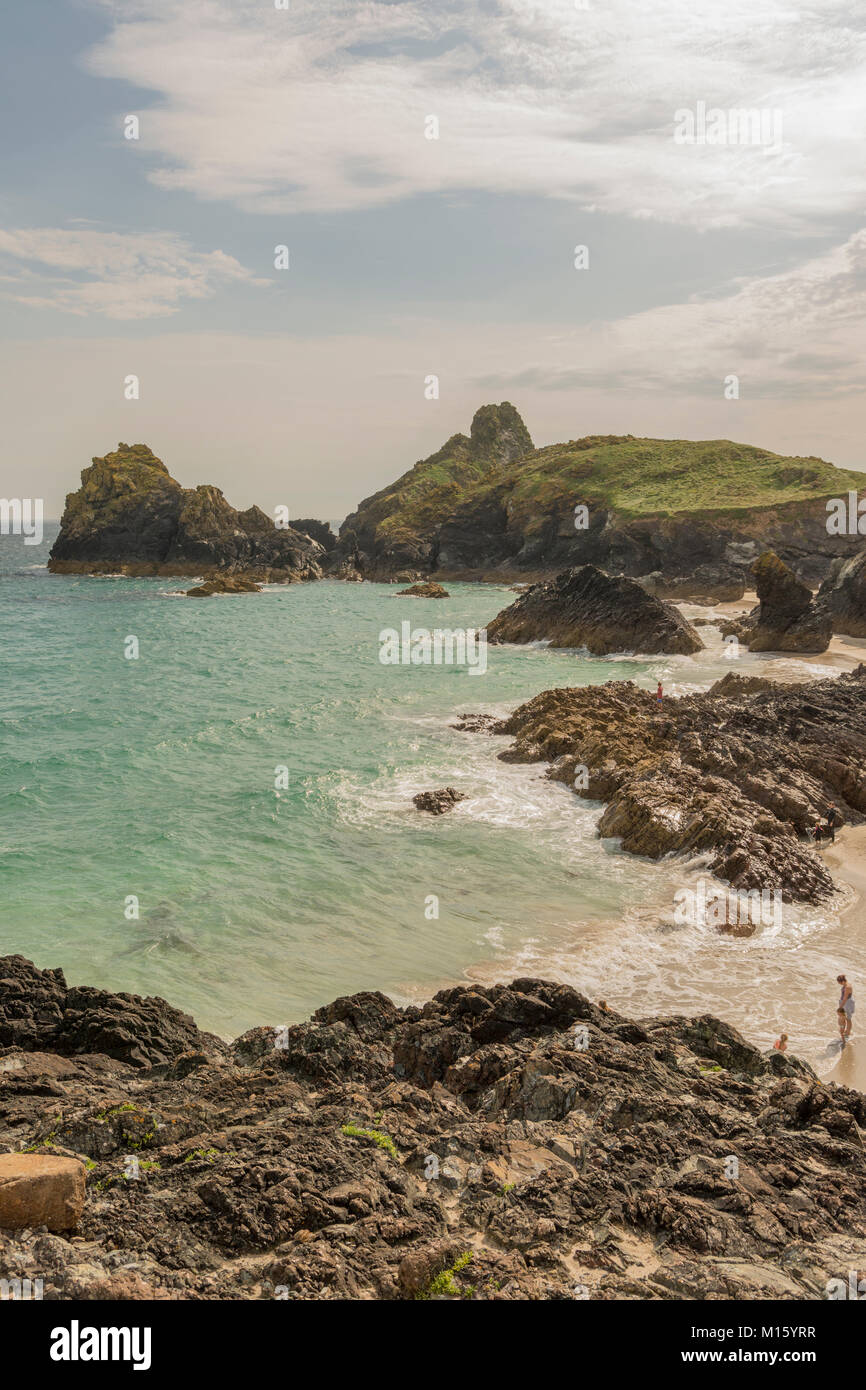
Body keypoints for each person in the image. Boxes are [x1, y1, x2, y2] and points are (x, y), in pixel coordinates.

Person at [837, 974, 854, 1043]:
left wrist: (840, 1007)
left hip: (847, 1003)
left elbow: (845, 998)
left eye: (839, 982)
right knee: (844, 1017)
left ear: (842, 981)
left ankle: (847, 1032)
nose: (839, 984)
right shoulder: (845, 985)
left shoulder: (847, 987)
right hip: (845, 1002)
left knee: (848, 1019)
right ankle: (845, 1031)